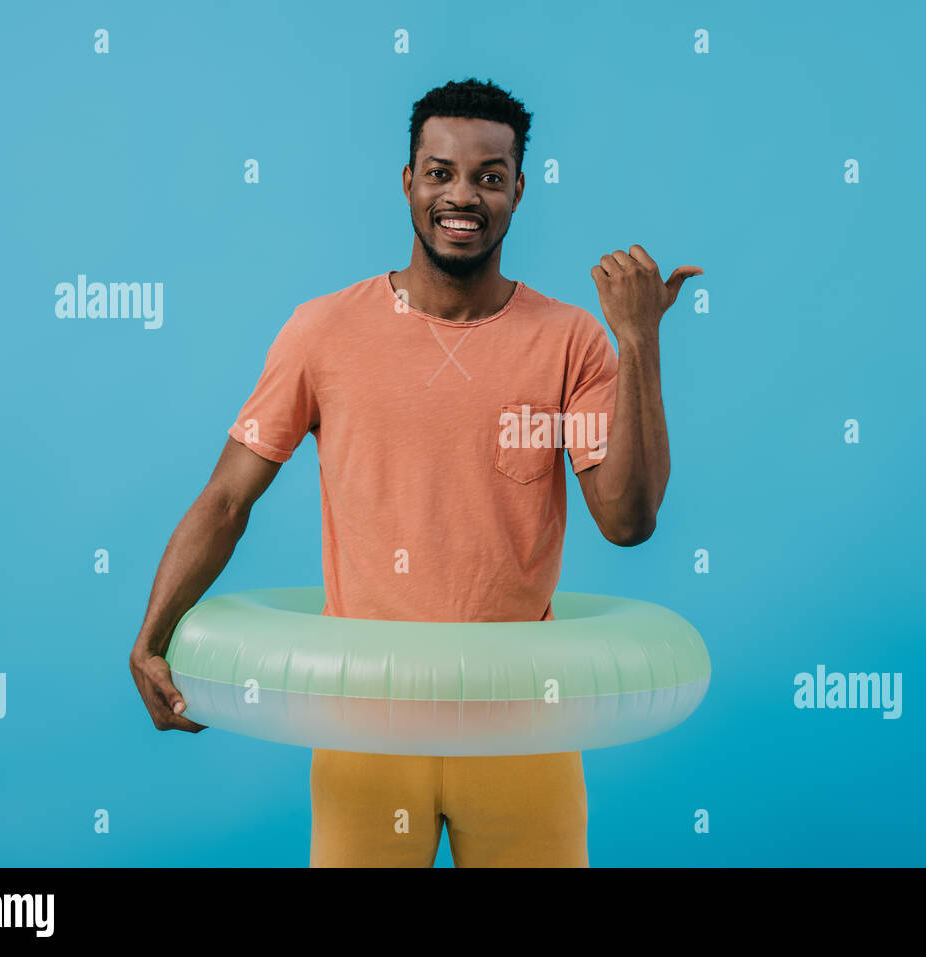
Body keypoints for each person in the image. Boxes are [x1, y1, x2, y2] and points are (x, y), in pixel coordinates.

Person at [128, 77, 702, 867]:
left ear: (518, 191)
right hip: (366, 727)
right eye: (440, 172)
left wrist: (637, 339)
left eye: (488, 176)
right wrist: (151, 637)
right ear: (408, 182)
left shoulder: (572, 340)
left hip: (521, 726)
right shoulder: (323, 330)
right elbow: (228, 497)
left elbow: (628, 521)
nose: (462, 195)